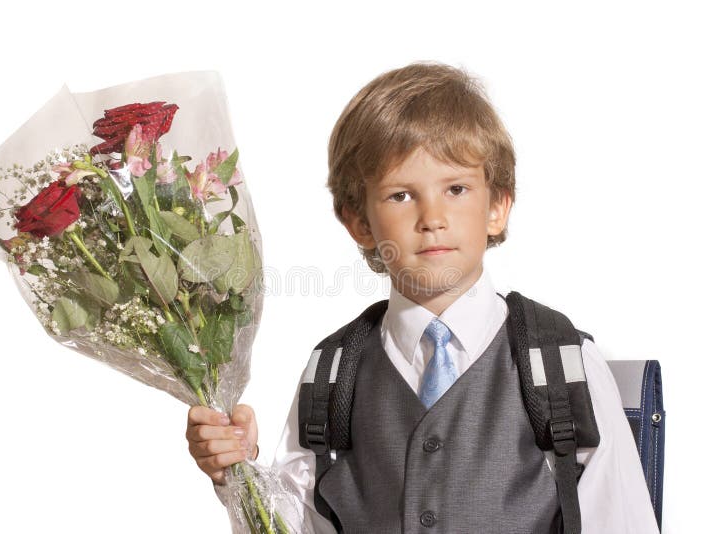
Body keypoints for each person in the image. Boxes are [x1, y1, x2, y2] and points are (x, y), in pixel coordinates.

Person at [186, 62, 659, 533]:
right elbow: (301, 526)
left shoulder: (560, 364)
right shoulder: (331, 374)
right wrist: (240, 470)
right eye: (400, 196)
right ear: (359, 222)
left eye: (456, 188)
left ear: (497, 206)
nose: (432, 216)